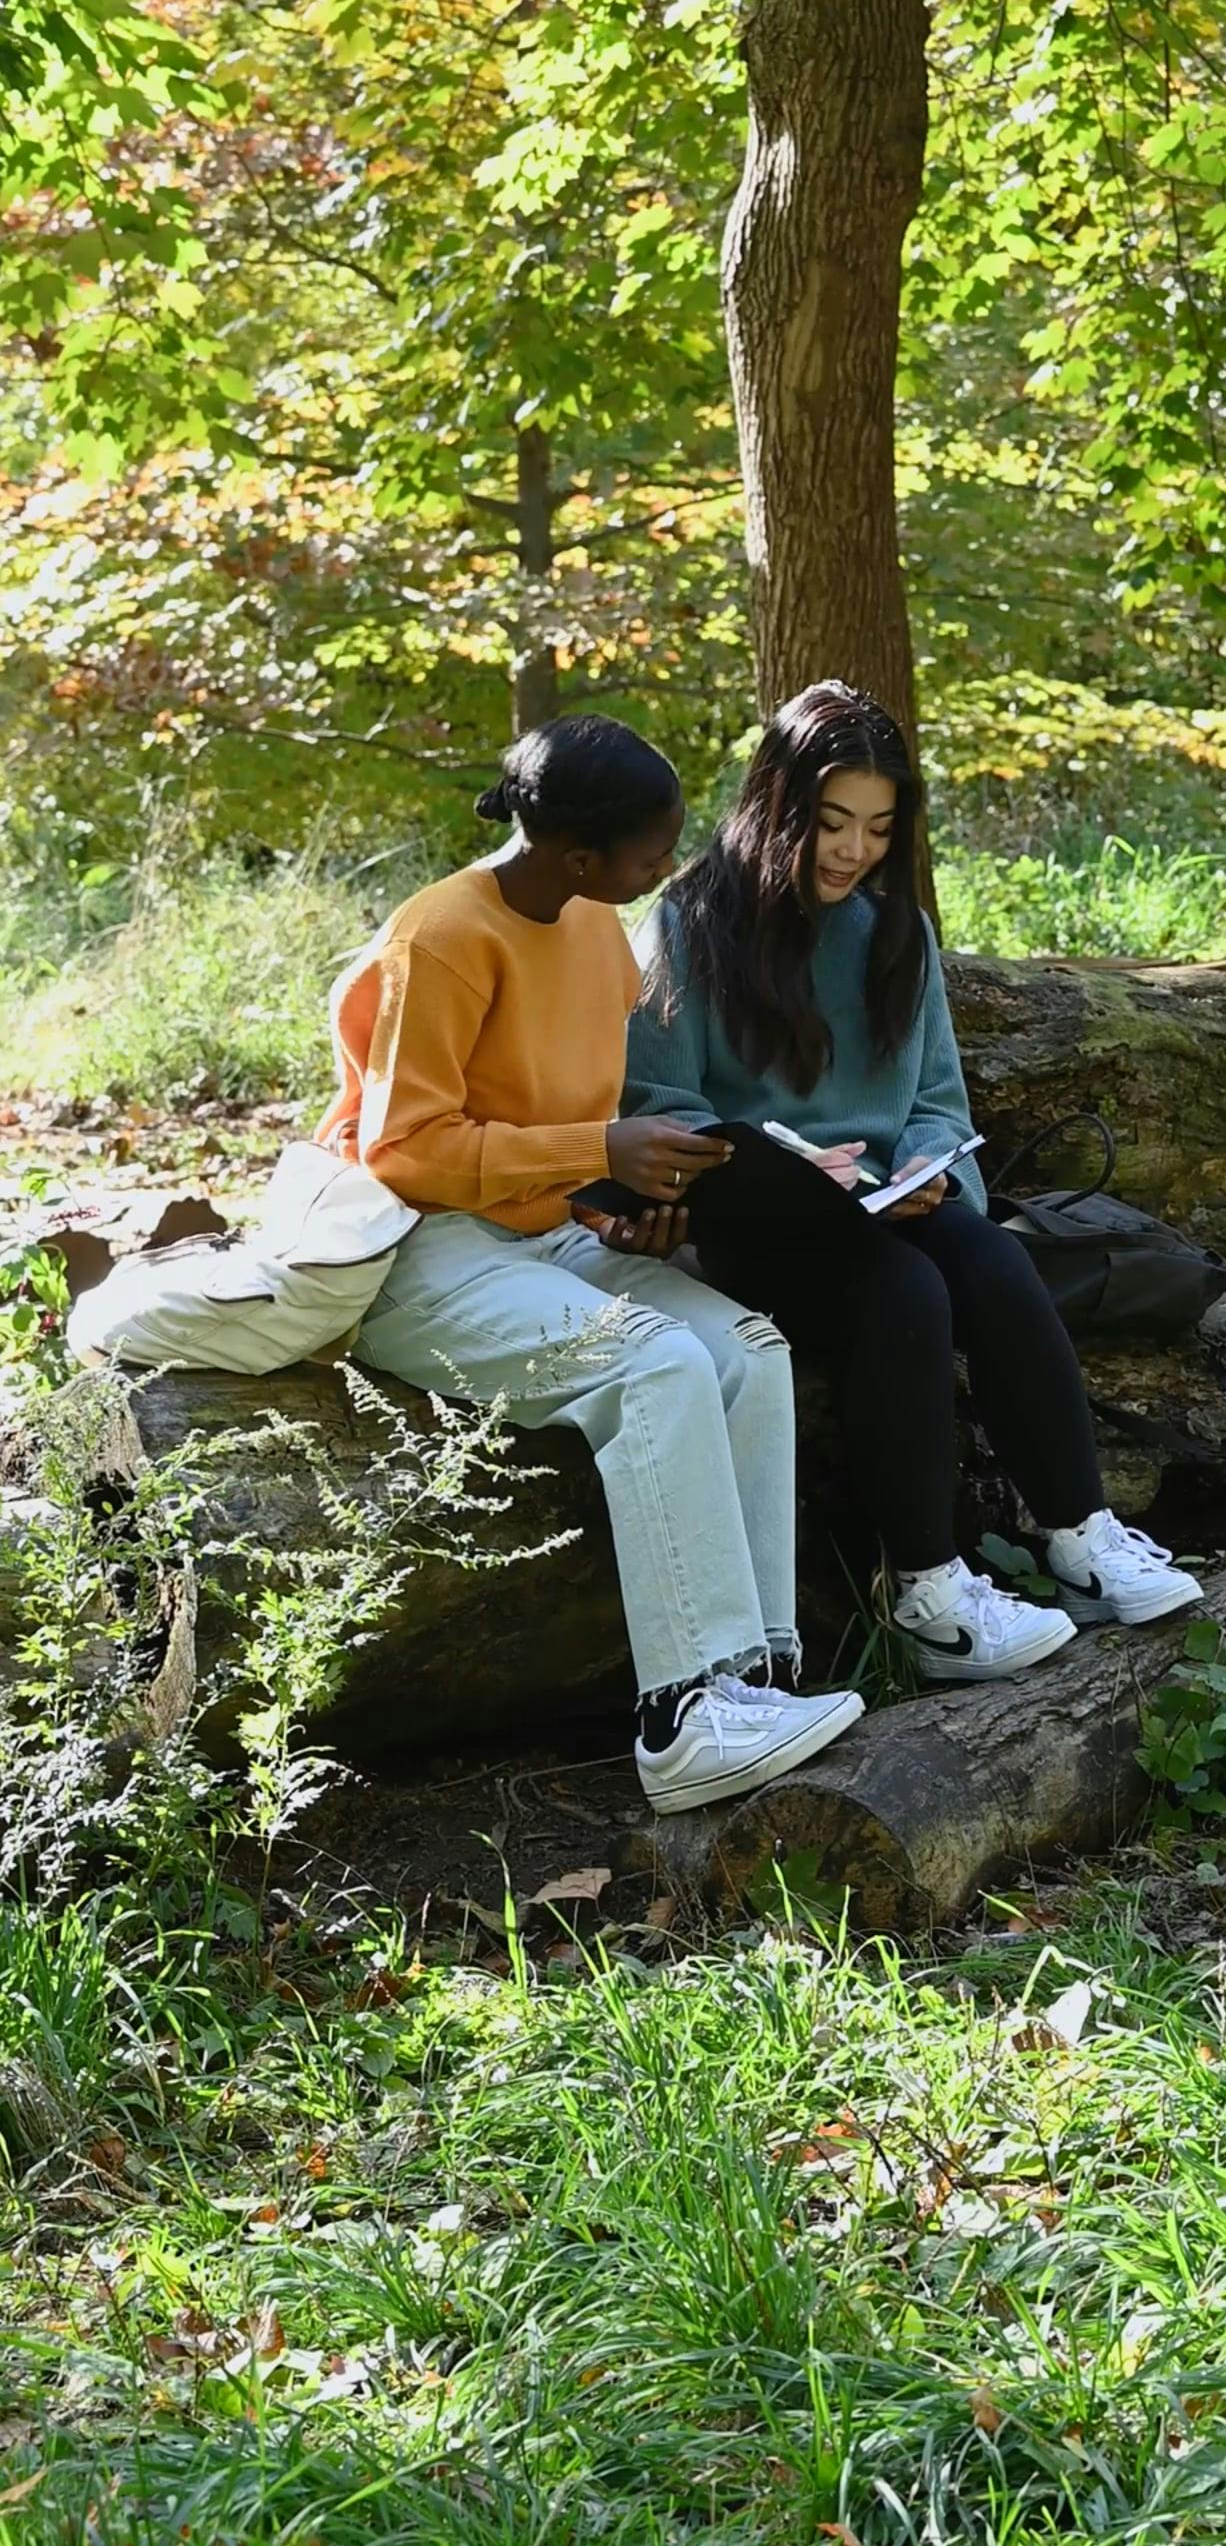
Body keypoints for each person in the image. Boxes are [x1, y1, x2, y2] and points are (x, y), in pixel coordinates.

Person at [317, 713, 864, 1814]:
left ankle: (761, 1670)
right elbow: (405, 1150)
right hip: (413, 1253)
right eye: (653, 849)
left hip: (544, 1234)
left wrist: (620, 1202)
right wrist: (594, 1154)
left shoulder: (595, 930)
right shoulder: (443, 936)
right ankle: (686, 1716)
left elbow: (565, 1127)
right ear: (575, 855)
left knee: (747, 1349)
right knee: (655, 1361)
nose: (671, 865)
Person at [622, 681, 1204, 1684]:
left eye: (880, 830)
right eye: (833, 823)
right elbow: (660, 1103)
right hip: (761, 1225)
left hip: (887, 1209)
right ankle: (929, 1595)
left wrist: (920, 1174)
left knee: (981, 1253)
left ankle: (1081, 1538)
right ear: (778, 805)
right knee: (904, 1287)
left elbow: (940, 1105)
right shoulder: (688, 927)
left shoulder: (898, 935)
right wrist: (763, 1165)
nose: (853, 851)